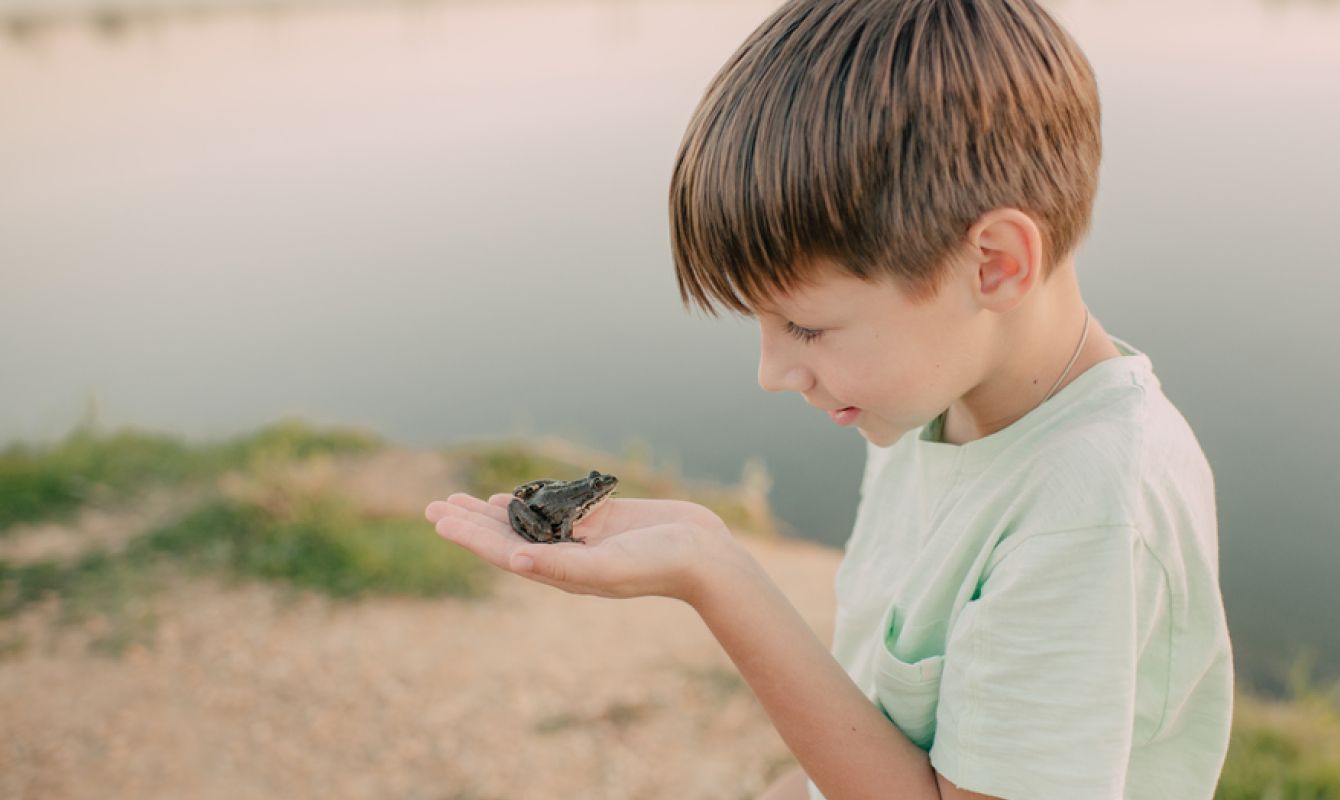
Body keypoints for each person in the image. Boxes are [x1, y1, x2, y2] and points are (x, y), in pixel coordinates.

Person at [424, 0, 1235, 797]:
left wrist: (719, 577)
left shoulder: (1090, 511)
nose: (773, 373)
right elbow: (886, 733)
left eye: (806, 328)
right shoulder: (934, 410)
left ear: (993, 265)